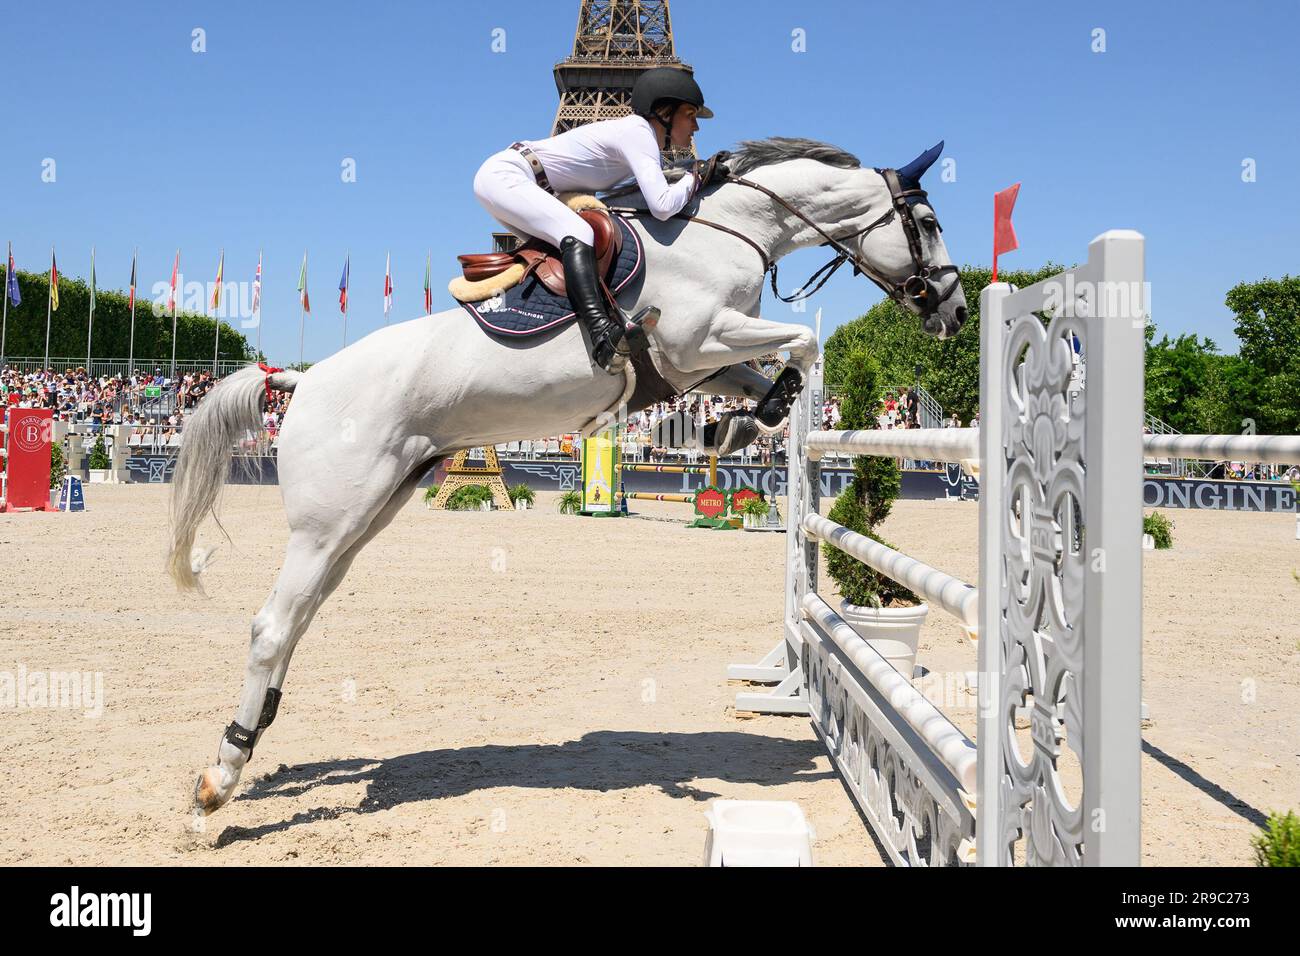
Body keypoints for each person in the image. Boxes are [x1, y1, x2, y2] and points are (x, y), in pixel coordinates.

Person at [472, 67, 730, 373]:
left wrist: (692, 178)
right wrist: (697, 178)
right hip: (508, 175)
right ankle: (601, 335)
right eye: (690, 114)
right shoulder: (638, 133)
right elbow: (661, 206)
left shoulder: (638, 139)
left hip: (520, 179)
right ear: (664, 111)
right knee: (577, 232)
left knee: (565, 250)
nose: (696, 127)